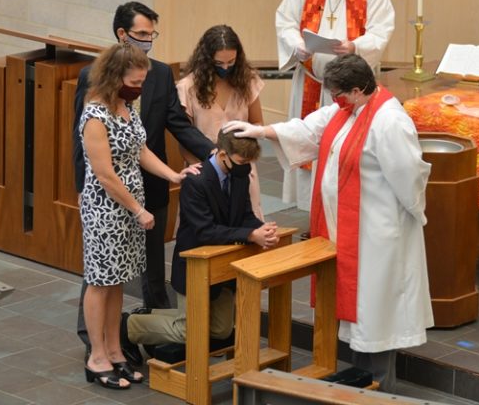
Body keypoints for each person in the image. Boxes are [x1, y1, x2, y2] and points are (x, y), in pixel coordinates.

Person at [224, 54, 433, 393]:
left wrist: (412, 213)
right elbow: (308, 129)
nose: (333, 102)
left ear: (357, 88)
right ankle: (359, 383)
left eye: (338, 94)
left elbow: (409, 175)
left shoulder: (390, 120)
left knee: (375, 314)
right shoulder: (348, 109)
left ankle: (382, 389)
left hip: (378, 237)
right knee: (357, 315)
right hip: (348, 232)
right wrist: (261, 130)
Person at [74, 2, 215, 350]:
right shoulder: (92, 81)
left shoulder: (161, 73)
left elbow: (172, 127)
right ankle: (93, 341)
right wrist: (81, 187)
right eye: (142, 35)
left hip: (149, 186)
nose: (148, 41)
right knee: (102, 272)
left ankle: (149, 335)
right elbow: (83, 146)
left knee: (148, 265)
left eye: (152, 34)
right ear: (122, 35)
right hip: (107, 196)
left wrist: (212, 152)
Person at [79, 43, 200, 389]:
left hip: (133, 206)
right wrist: (138, 209)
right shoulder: (95, 116)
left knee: (119, 282)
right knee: (101, 282)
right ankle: (97, 355)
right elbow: (105, 174)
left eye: (142, 81)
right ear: (115, 77)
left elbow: (141, 150)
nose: (140, 87)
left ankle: (116, 351)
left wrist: (173, 175)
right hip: (106, 210)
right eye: (135, 81)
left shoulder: (126, 107)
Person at [121, 129, 279, 353]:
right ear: (223, 154)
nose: (247, 167)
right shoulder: (196, 182)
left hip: (223, 265)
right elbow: (205, 231)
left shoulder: (239, 174)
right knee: (188, 330)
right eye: (243, 161)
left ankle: (149, 315)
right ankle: (128, 326)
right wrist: (250, 236)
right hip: (194, 264)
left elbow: (244, 214)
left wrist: (259, 227)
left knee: (222, 329)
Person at [275, 0, 395, 210]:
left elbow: (382, 30)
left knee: (343, 149)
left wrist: (355, 46)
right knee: (311, 147)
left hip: (351, 87)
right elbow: (285, 21)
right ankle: (312, 212)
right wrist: (297, 45)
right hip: (311, 81)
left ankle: (342, 210)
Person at [176, 25, 266, 219]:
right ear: (206, 59)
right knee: (209, 227)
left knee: (247, 225)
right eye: (219, 63)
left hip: (241, 166)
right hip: (205, 169)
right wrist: (206, 172)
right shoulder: (188, 87)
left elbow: (257, 122)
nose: (225, 68)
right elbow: (184, 138)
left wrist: (245, 143)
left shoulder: (247, 80)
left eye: (231, 62)